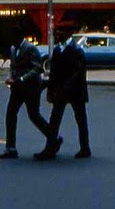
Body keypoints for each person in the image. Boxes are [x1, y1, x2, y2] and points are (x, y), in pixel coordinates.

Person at [0, 24, 51, 159]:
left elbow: (37, 68)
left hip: (31, 87)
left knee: (34, 115)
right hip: (17, 88)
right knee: (10, 115)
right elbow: (13, 67)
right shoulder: (13, 48)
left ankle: (53, 136)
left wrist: (21, 79)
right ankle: (10, 147)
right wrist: (10, 77)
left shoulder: (30, 48)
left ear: (19, 37)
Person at [34, 28, 90, 161]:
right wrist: (50, 90)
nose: (57, 36)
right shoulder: (58, 50)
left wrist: (66, 87)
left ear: (68, 34)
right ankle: (50, 148)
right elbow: (53, 73)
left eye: (60, 33)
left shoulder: (77, 50)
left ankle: (85, 148)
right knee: (54, 120)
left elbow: (79, 73)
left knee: (80, 120)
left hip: (75, 91)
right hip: (61, 91)